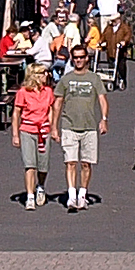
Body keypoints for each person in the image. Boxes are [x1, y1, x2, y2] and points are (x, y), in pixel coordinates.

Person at [55, 55, 112, 208]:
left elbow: (102, 99)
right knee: (70, 162)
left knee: (86, 163)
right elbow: (58, 103)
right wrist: (54, 126)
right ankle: (71, 195)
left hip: (89, 126)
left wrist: (104, 119)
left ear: (87, 59)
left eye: (81, 57)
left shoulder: (94, 78)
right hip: (69, 125)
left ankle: (82, 194)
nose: (78, 60)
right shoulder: (66, 79)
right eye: (76, 58)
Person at [12, 62, 60, 206]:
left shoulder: (48, 91)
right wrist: (15, 134)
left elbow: (50, 110)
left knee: (43, 165)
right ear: (35, 76)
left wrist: (52, 128)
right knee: (30, 164)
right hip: (28, 129)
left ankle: (41, 186)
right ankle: (30, 196)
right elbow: (16, 113)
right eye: (43, 73)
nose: (47, 75)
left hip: (43, 130)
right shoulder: (23, 92)